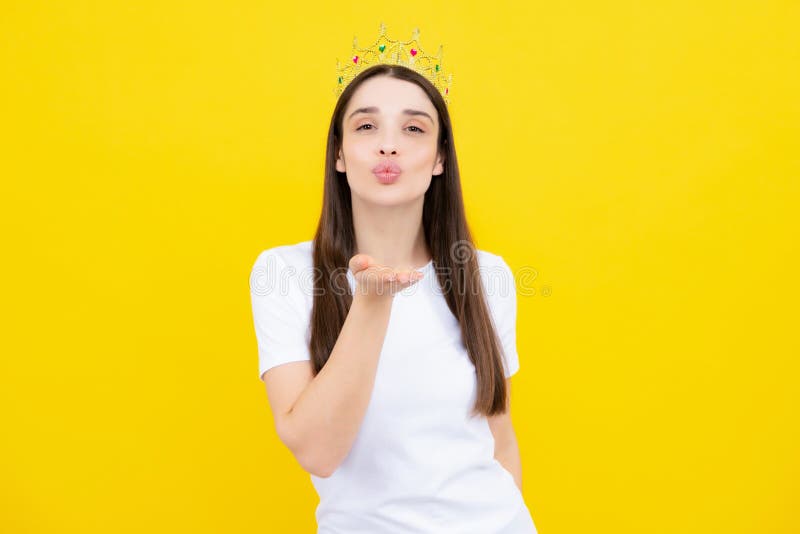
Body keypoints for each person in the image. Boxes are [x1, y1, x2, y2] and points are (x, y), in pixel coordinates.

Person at [249, 62, 538, 533]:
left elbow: (499, 440)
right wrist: (372, 300)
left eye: (413, 128)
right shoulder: (285, 274)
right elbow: (317, 453)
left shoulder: (487, 277)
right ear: (339, 154)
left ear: (440, 157)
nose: (389, 144)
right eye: (366, 126)